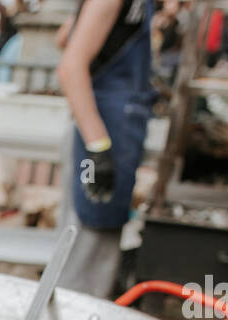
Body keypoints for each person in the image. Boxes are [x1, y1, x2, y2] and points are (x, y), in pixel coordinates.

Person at [55, 0, 154, 298]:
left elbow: (63, 37)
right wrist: (98, 146)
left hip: (114, 130)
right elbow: (70, 67)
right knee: (83, 257)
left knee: (90, 251)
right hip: (101, 133)